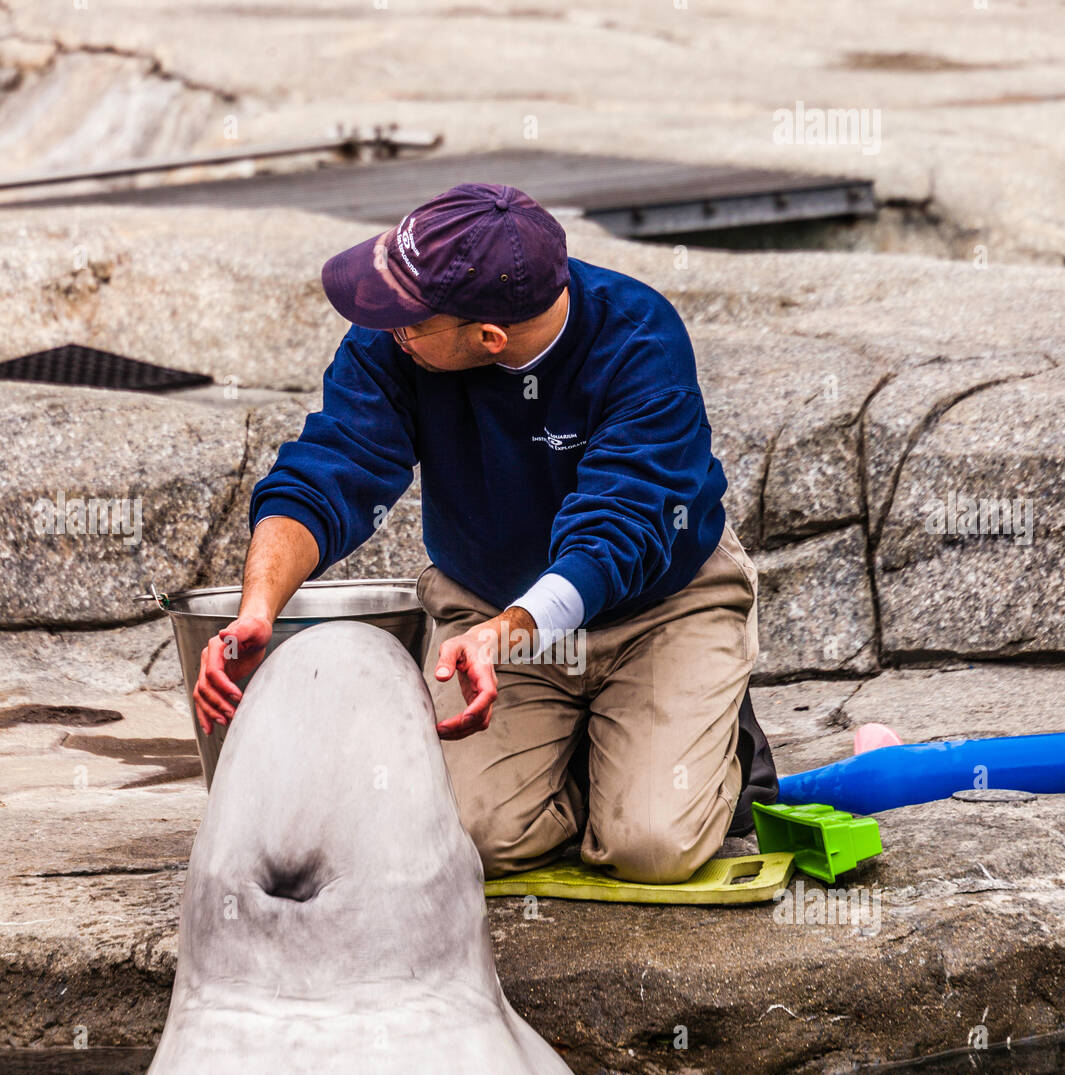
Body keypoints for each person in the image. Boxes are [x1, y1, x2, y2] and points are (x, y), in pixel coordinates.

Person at [193, 182, 776, 883]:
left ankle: (708, 747)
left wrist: (512, 630)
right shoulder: (398, 344)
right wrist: (259, 607)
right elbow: (330, 467)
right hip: (486, 605)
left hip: (657, 607)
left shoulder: (638, 340)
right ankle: (600, 757)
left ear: (488, 338)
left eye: (409, 321)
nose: (389, 329)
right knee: (472, 840)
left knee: (651, 848)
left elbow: (616, 532)